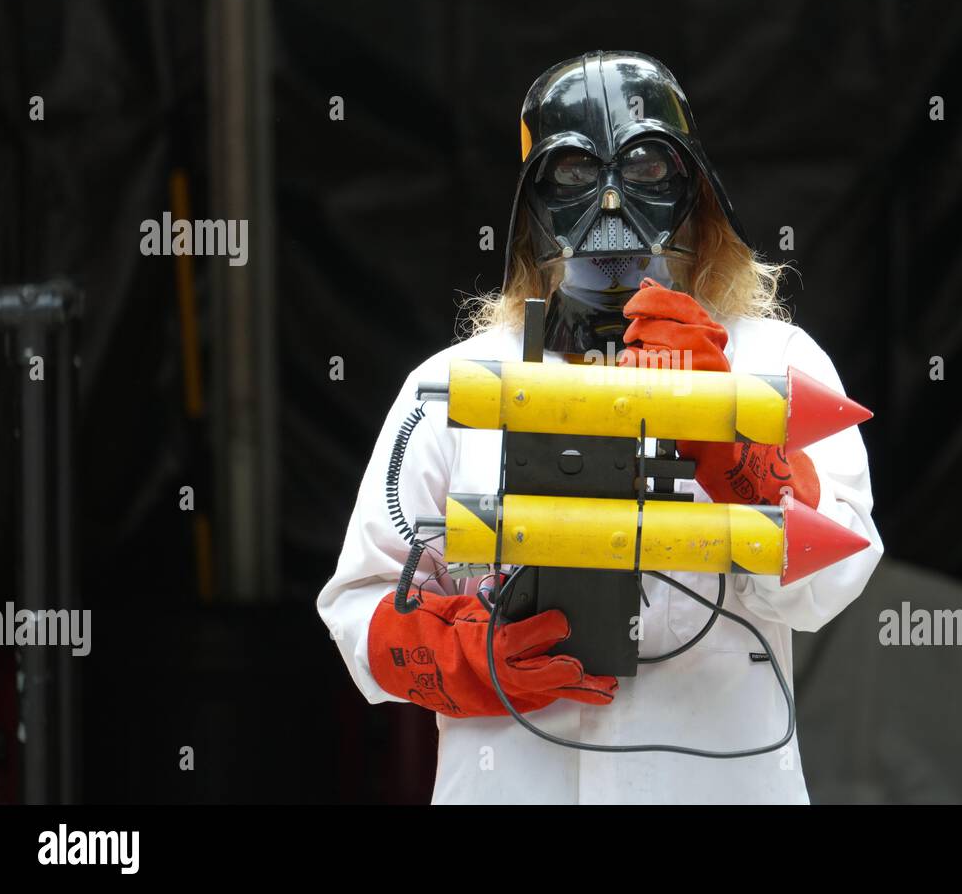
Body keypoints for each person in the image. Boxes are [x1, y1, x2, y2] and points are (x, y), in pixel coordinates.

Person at [317, 51, 883, 803]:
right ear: (533, 205)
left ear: (696, 191)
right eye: (575, 174)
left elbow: (833, 579)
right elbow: (361, 606)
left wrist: (726, 426)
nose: (612, 208)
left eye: (648, 169)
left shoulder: (771, 361)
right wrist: (460, 653)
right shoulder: (454, 387)